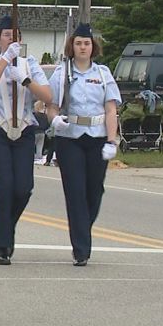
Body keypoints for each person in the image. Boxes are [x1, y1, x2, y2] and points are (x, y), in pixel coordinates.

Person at [0, 15, 53, 265]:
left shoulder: (30, 64)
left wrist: (25, 79)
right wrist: (5, 60)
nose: (12, 38)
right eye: (7, 35)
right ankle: (2, 245)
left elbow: (48, 96)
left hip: (24, 130)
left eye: (16, 35)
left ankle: (6, 229)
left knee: (22, 188)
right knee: (3, 188)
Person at [47, 23, 122, 267]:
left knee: (94, 191)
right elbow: (51, 104)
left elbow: (111, 109)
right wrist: (54, 118)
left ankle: (82, 230)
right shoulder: (62, 73)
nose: (82, 47)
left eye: (86, 43)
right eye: (78, 43)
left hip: (97, 136)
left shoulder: (102, 73)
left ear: (93, 46)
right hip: (70, 138)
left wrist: (112, 140)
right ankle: (81, 249)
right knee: (76, 192)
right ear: (72, 46)